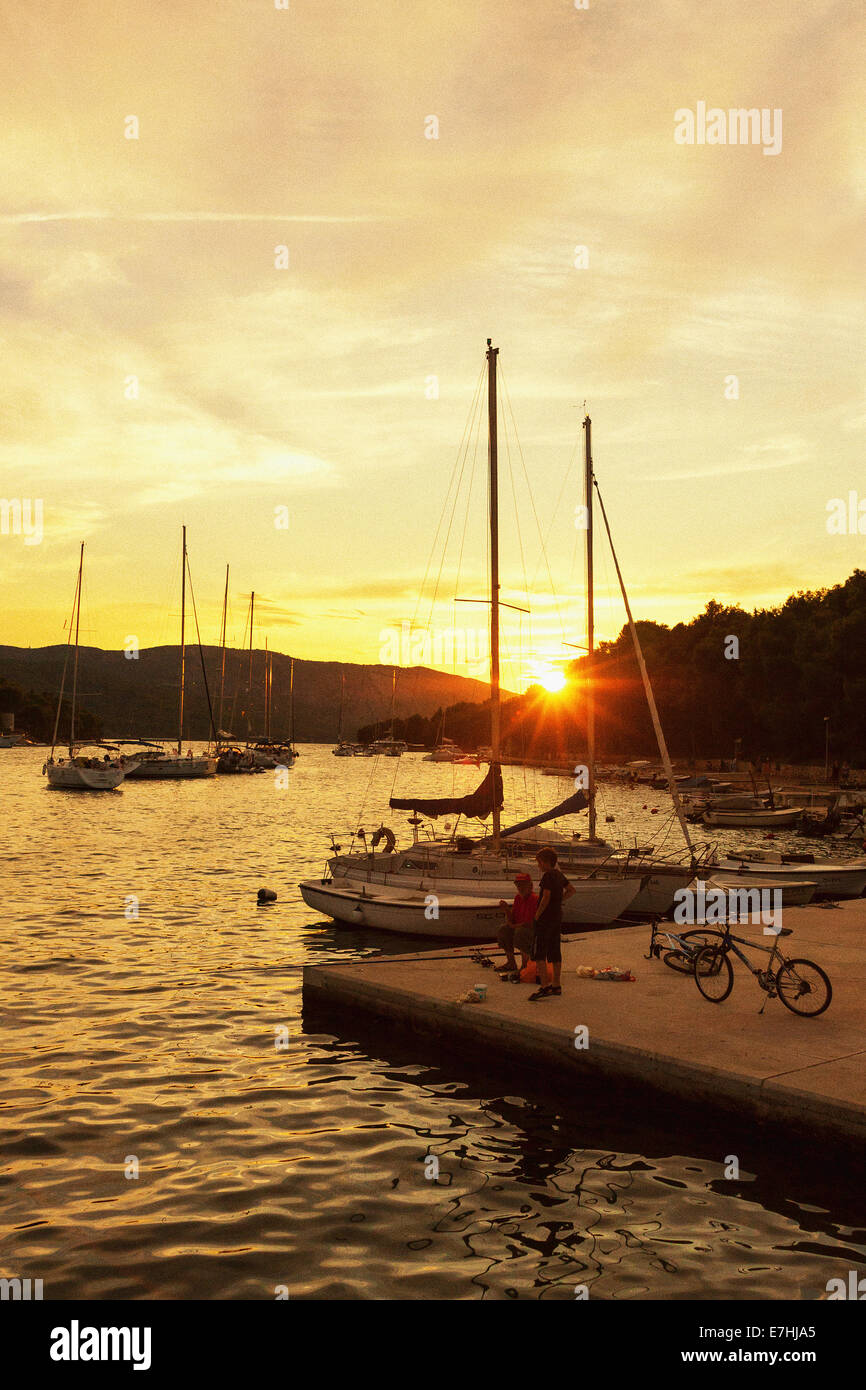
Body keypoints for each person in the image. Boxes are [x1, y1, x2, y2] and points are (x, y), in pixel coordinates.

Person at [528, 846, 575, 1001]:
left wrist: (537, 914)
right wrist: (560, 900)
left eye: (539, 863)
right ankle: (556, 984)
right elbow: (571, 890)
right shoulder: (559, 875)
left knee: (540, 953)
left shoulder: (547, 876)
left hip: (545, 920)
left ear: (544, 862)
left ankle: (544, 986)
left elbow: (545, 897)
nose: (538, 866)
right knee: (555, 951)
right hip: (556, 918)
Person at [497, 873, 538, 980]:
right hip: (520, 927)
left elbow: (529, 923)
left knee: (521, 932)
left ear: (530, 886)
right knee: (504, 929)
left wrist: (513, 925)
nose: (520, 888)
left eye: (523, 885)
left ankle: (525, 965)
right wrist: (506, 909)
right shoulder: (518, 898)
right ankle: (511, 963)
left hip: (533, 931)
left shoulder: (534, 899)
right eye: (518, 885)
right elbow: (513, 918)